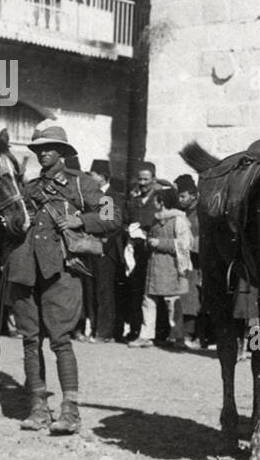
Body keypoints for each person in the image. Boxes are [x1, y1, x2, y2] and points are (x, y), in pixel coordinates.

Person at [9, 124, 117, 435]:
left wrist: (81, 219)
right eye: (39, 148)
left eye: (50, 147)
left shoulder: (82, 184)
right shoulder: (28, 188)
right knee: (30, 340)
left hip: (61, 271)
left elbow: (113, 216)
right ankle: (38, 405)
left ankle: (70, 410)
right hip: (26, 270)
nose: (43, 152)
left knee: (60, 340)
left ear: (63, 152)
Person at [130, 186, 193, 349]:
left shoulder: (179, 220)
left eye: (156, 200)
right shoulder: (156, 219)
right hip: (154, 266)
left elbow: (185, 245)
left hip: (171, 268)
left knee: (172, 302)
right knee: (149, 301)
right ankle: (146, 336)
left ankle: (178, 337)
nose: (154, 203)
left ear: (162, 202)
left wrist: (161, 244)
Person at [79, 160, 122, 343]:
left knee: (104, 291)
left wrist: (104, 246)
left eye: (93, 175)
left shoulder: (111, 196)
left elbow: (112, 225)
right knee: (91, 290)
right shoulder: (92, 196)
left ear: (102, 177)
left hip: (106, 250)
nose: (90, 178)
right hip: (91, 248)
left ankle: (104, 332)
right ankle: (95, 327)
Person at [121, 161, 158, 341]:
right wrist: (129, 229)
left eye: (146, 179)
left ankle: (155, 332)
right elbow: (123, 222)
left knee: (151, 293)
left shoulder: (158, 201)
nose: (142, 183)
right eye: (140, 179)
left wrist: (147, 232)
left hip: (152, 252)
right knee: (135, 292)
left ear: (154, 179)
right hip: (135, 251)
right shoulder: (132, 202)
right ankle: (135, 329)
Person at [174, 173, 202, 349]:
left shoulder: (200, 213)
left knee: (193, 300)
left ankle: (255, 348)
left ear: (193, 195)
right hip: (186, 261)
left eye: (183, 195)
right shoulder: (184, 211)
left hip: (197, 260)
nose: (180, 199)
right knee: (187, 299)